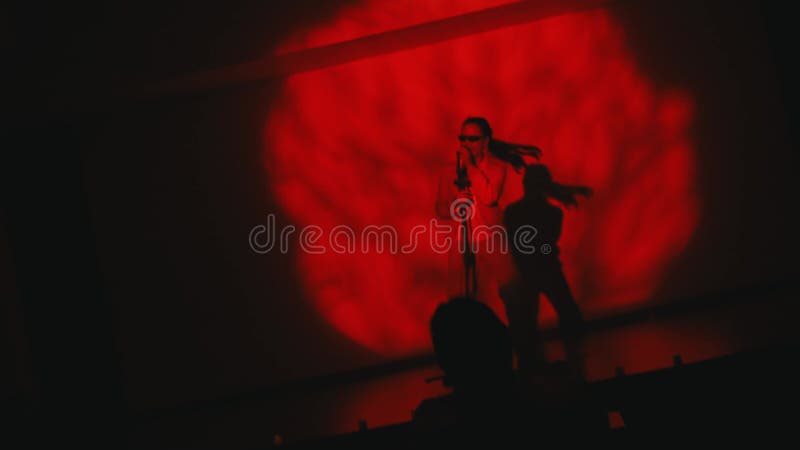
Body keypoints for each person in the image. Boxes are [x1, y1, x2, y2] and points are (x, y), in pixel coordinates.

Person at [435, 117, 541, 309]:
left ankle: (522, 326)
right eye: (463, 138)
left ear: (485, 141)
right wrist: (455, 205)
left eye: (473, 139)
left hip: (490, 235)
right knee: (459, 297)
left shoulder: (496, 167)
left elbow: (489, 197)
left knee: (512, 289)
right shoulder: (449, 171)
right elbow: (440, 208)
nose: (467, 144)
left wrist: (470, 166)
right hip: (461, 238)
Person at [502, 163, 592, 373]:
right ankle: (575, 360)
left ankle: (531, 368)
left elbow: (513, 243)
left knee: (528, 323)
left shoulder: (513, 212)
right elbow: (548, 241)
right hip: (547, 268)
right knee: (568, 314)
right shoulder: (552, 213)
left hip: (526, 271)